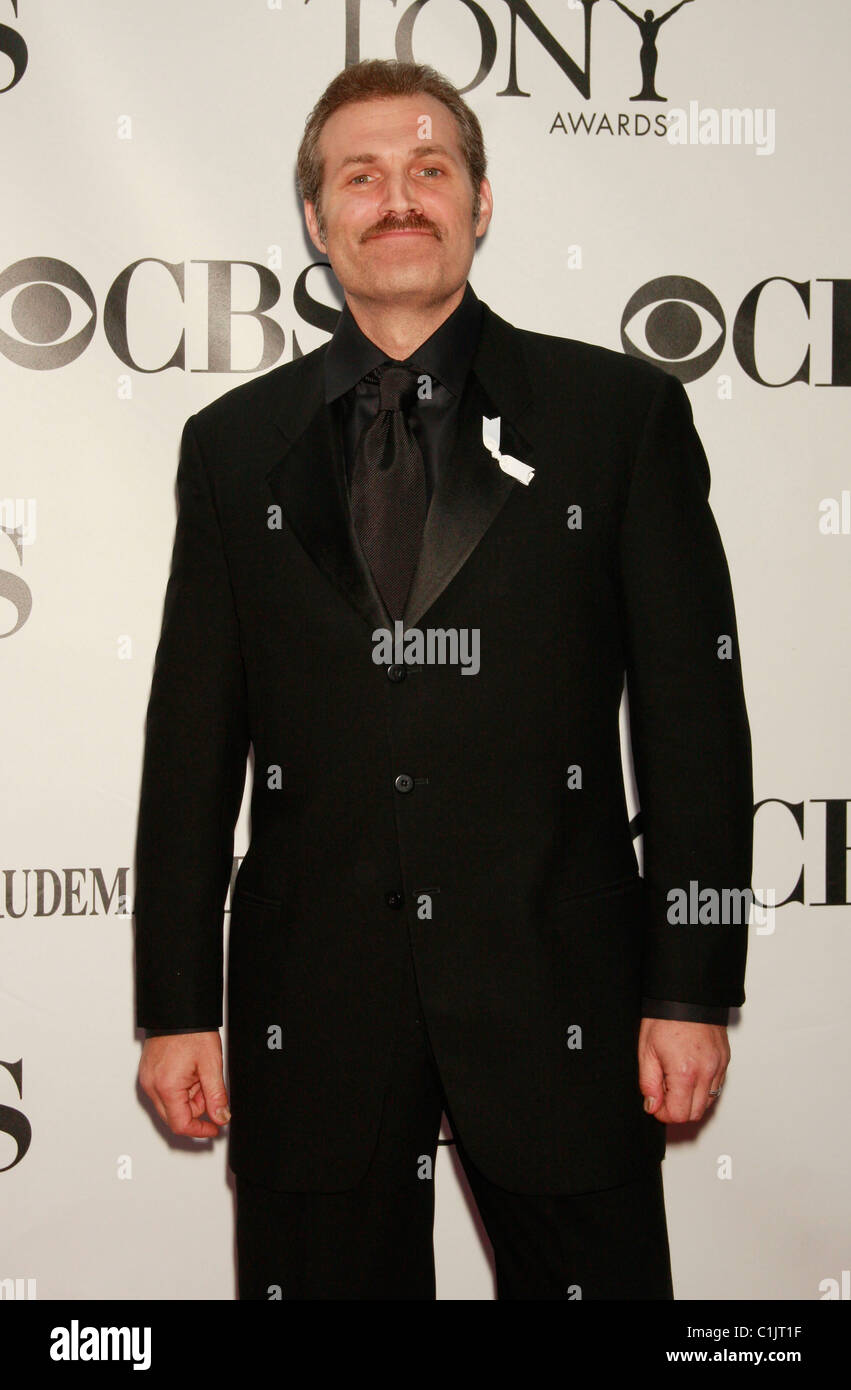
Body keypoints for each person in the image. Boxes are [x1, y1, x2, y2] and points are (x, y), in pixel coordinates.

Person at [135, 57, 753, 1301]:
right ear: (316, 220)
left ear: (481, 201)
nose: (398, 197)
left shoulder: (616, 414)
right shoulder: (231, 447)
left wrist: (691, 986)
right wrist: (172, 1005)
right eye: (360, 176)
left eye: (430, 169)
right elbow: (189, 744)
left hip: (560, 986)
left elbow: (693, 724)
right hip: (309, 1001)